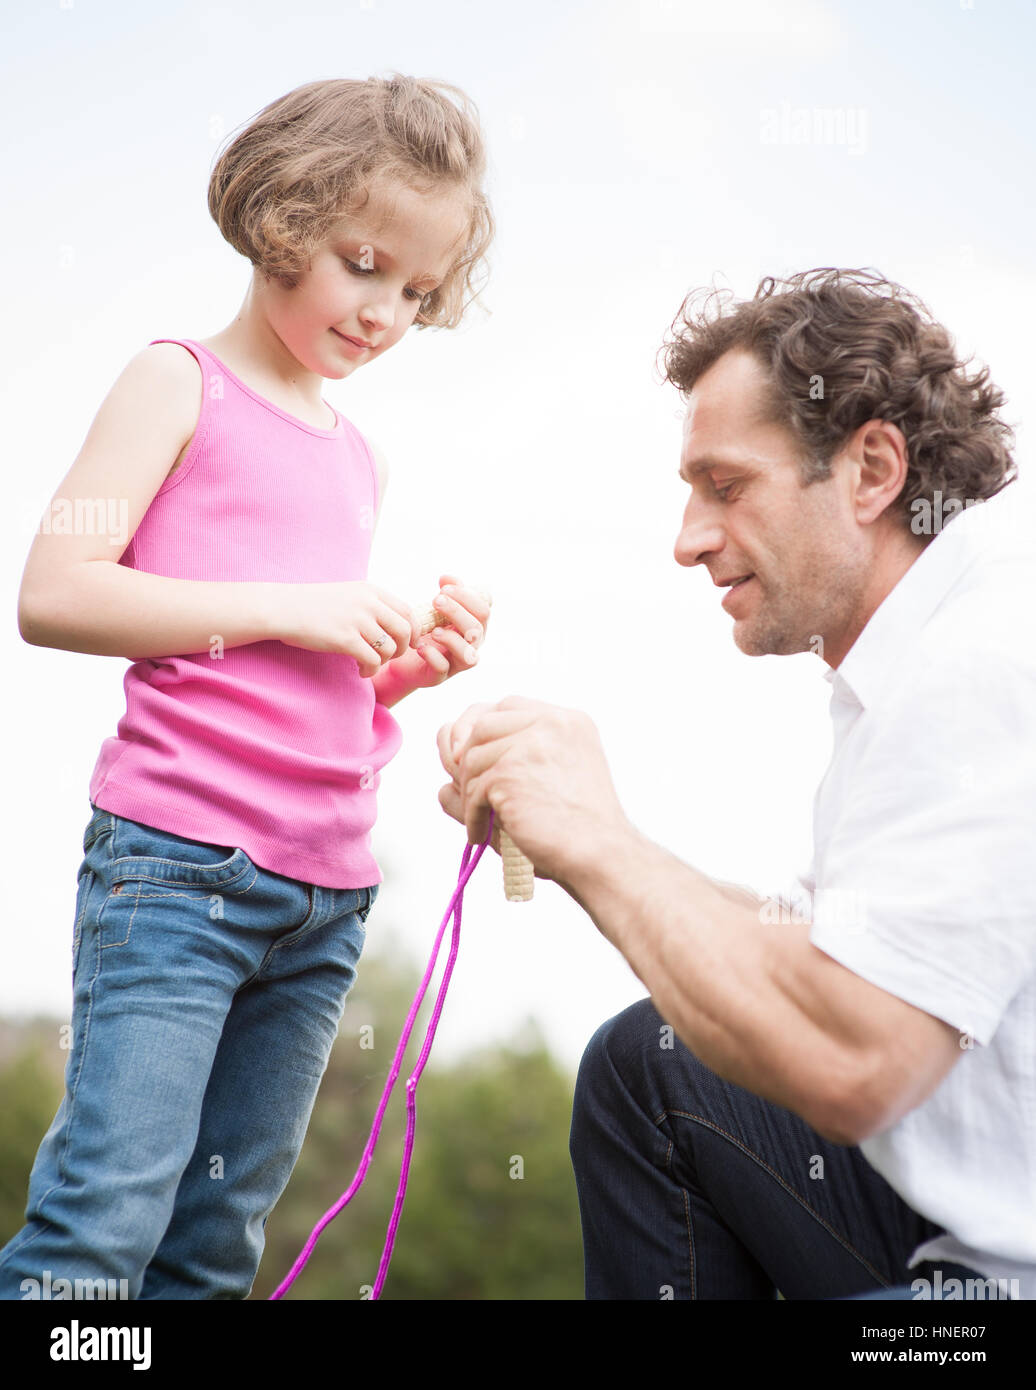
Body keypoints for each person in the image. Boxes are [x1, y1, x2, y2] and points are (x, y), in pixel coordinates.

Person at [437, 268, 1035, 1300]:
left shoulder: (983, 657)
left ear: (872, 469)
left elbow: (857, 1064)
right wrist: (585, 835)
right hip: (967, 1232)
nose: (687, 538)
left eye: (725, 485)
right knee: (653, 1065)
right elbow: (811, 963)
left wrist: (599, 840)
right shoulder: (912, 664)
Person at [1, 74, 494, 1301]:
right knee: (101, 1227)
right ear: (282, 217)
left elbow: (309, 679)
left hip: (325, 896)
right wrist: (290, 606)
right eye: (363, 261)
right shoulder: (176, 382)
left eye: (417, 291)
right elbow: (54, 591)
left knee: (216, 1247)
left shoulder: (358, 453)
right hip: (178, 869)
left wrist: (397, 676)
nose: (385, 311)